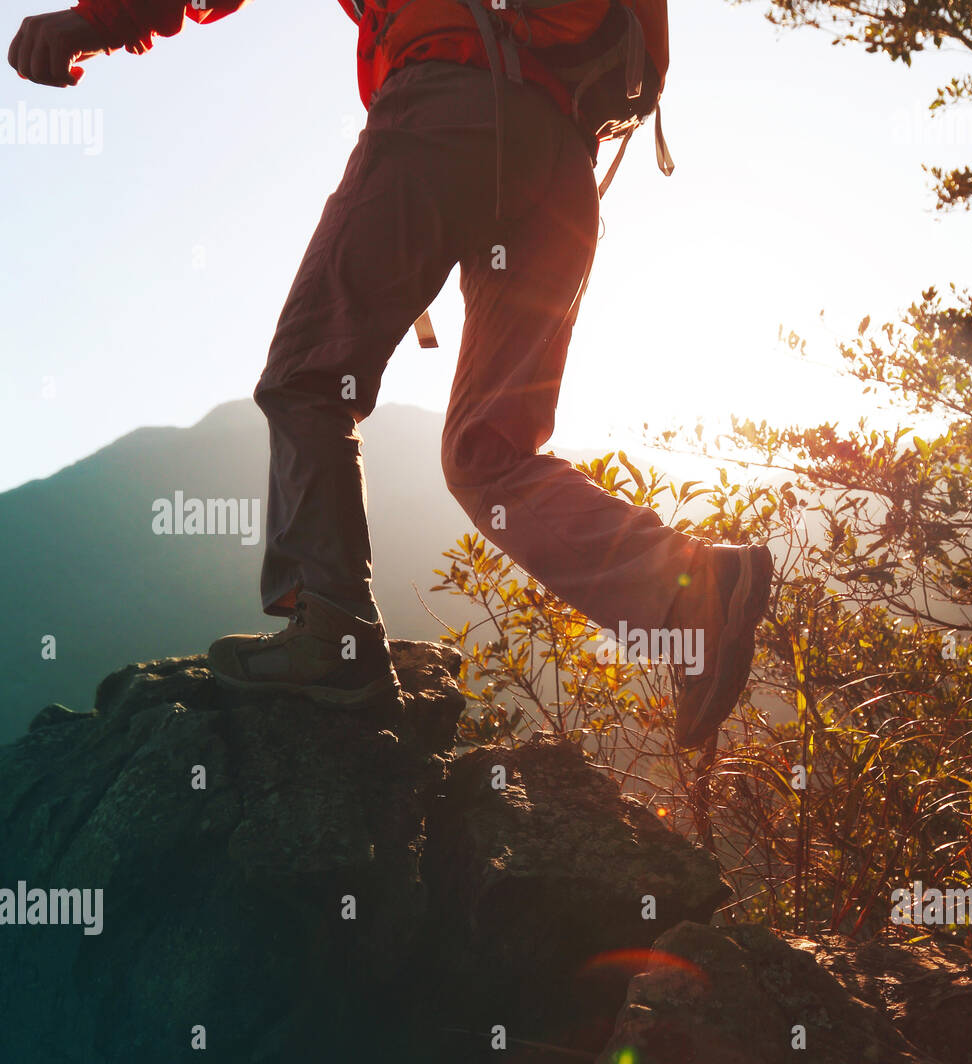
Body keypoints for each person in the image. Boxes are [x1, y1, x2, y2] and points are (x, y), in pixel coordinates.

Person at [8, 2, 773, 749]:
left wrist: (96, 21)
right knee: (491, 456)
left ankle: (334, 637)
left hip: (447, 110)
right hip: (564, 159)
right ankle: (694, 598)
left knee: (311, 376)